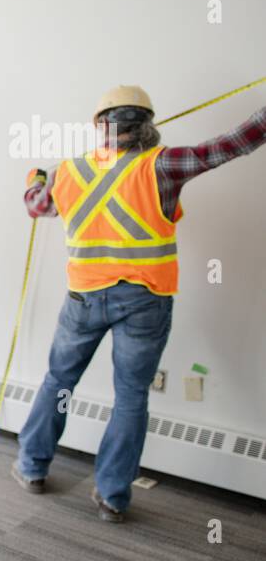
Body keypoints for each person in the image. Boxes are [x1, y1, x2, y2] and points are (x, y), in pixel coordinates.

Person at [14, 85, 266, 521]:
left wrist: (37, 177)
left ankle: (32, 467)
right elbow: (232, 144)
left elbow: (36, 206)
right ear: (147, 123)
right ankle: (112, 496)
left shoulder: (69, 171)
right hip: (146, 301)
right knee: (130, 397)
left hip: (84, 299)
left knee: (58, 382)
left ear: (99, 126)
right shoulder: (164, 165)